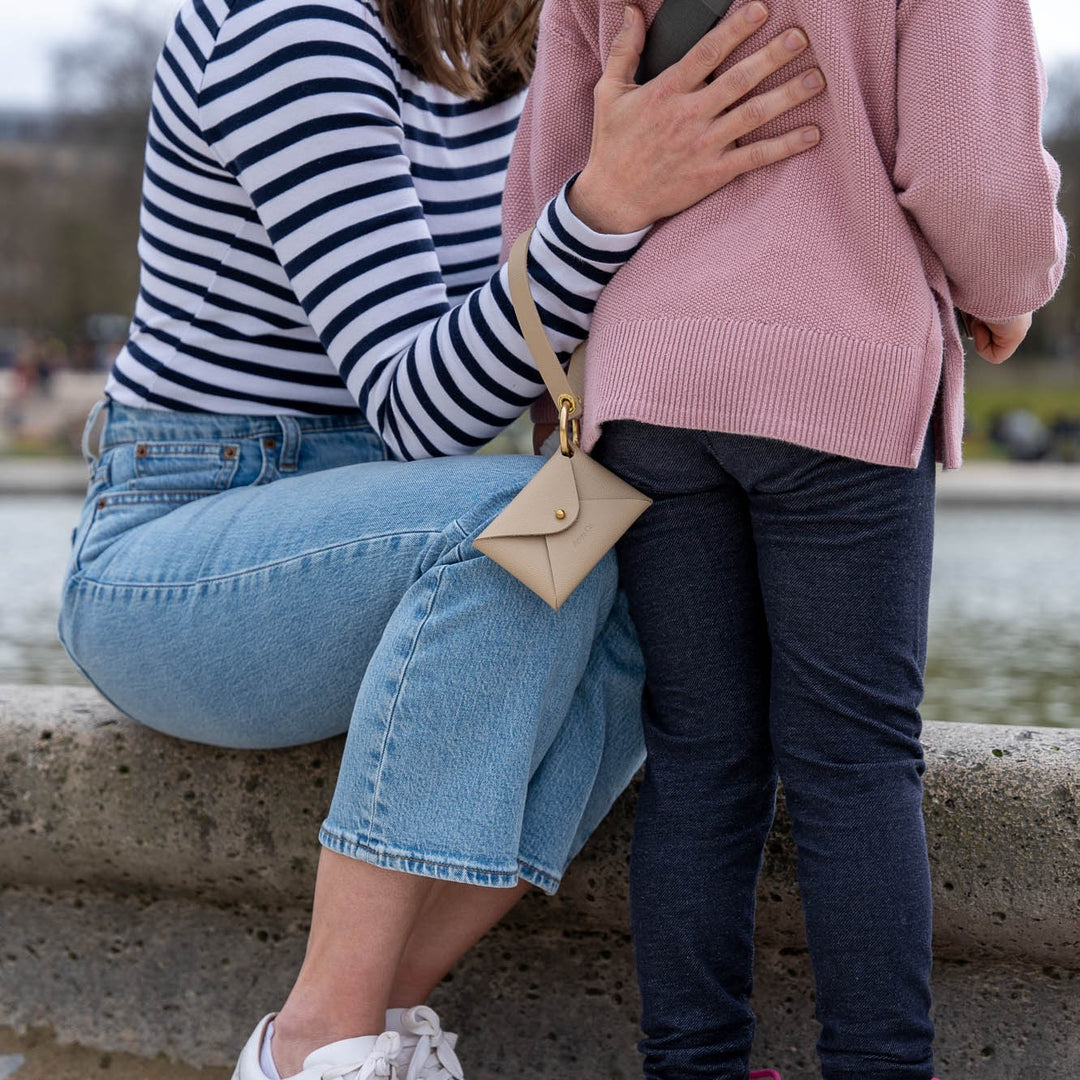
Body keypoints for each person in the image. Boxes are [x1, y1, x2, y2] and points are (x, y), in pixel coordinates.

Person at [57, 1, 826, 1078]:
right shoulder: (294, 24)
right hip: (180, 547)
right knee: (527, 518)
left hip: (384, 543)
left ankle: (373, 1033)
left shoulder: (515, 54)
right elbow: (420, 409)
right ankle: (317, 1037)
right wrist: (605, 204)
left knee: (671, 574)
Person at [502, 2, 1067, 1079]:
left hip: (649, 390)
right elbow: (974, 179)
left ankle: (692, 1066)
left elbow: (544, 193)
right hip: (842, 372)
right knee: (853, 762)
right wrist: (1011, 289)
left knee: (700, 757)